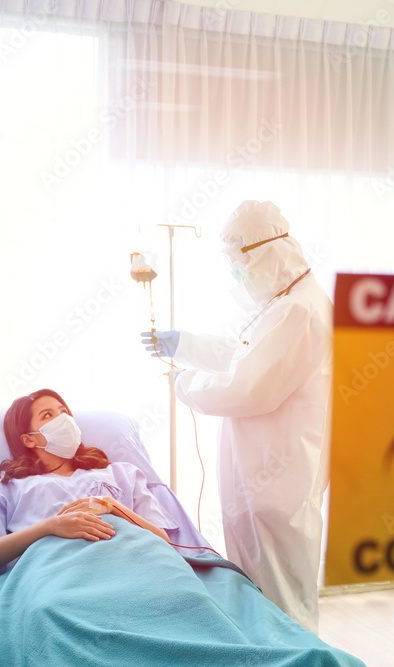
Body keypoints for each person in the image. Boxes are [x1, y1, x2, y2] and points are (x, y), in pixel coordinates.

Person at [141, 200, 333, 633]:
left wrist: (184, 384)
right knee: (261, 595)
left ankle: (298, 662)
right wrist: (184, 344)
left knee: (282, 601)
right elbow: (245, 357)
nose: (235, 274)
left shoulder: (300, 310)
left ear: (266, 254)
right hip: (262, 475)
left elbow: (250, 386)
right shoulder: (286, 304)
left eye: (238, 263)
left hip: (278, 480)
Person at [0, 389, 178, 573]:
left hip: (135, 569)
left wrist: (113, 507)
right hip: (56, 576)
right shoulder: (7, 485)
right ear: (29, 439)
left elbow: (163, 541)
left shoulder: (123, 474)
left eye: (64, 412)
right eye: (48, 415)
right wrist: (49, 526)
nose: (64, 419)